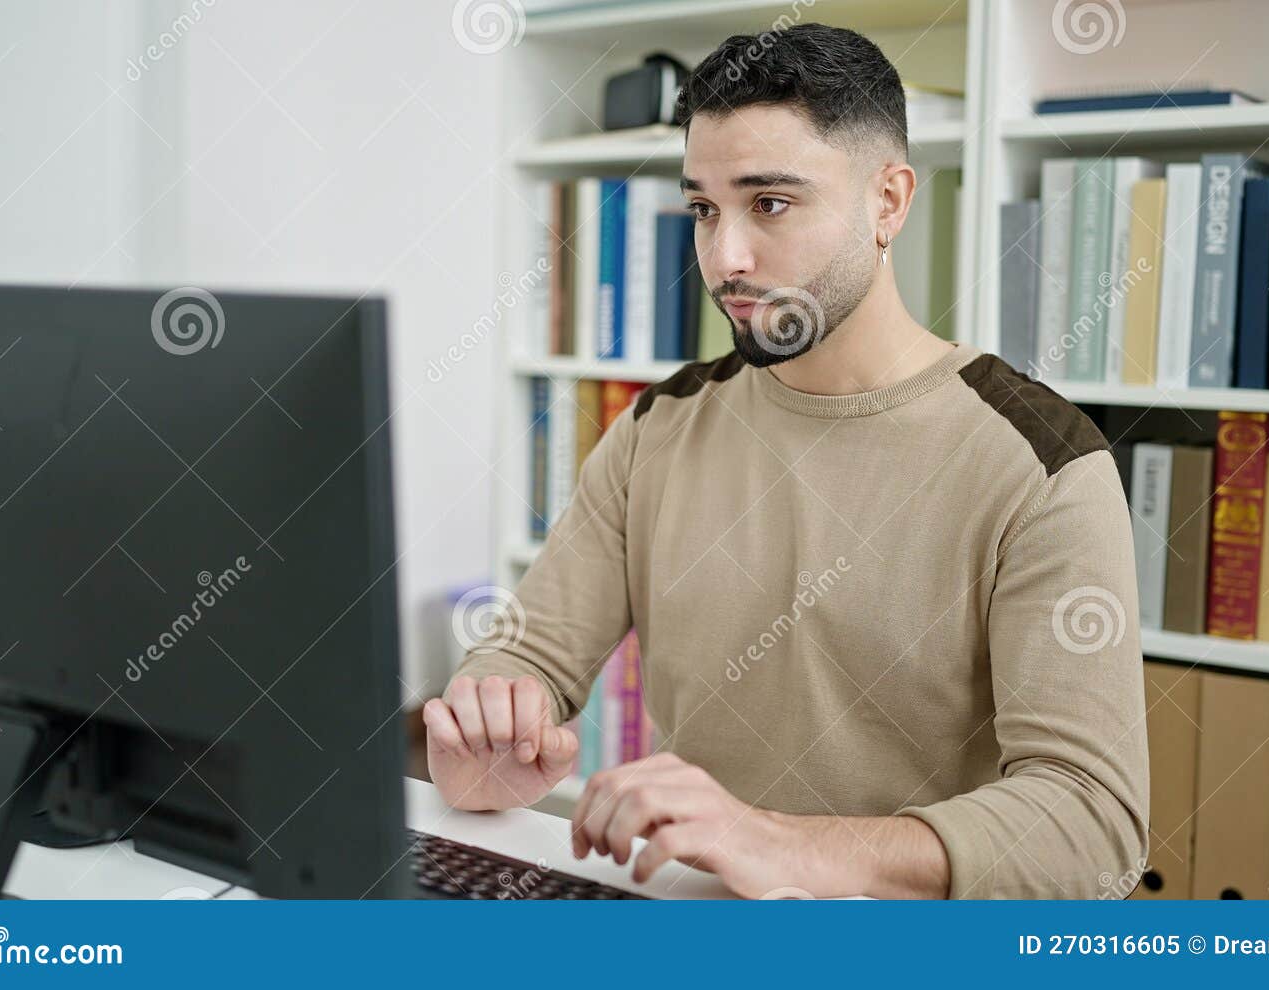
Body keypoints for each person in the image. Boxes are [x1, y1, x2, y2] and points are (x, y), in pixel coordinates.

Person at [422, 22, 1148, 899]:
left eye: (769, 203)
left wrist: (783, 844)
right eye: (703, 209)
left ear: (889, 202)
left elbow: (1093, 828)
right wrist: (485, 729)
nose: (725, 258)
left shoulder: (1044, 463)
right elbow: (527, 658)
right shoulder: (658, 426)